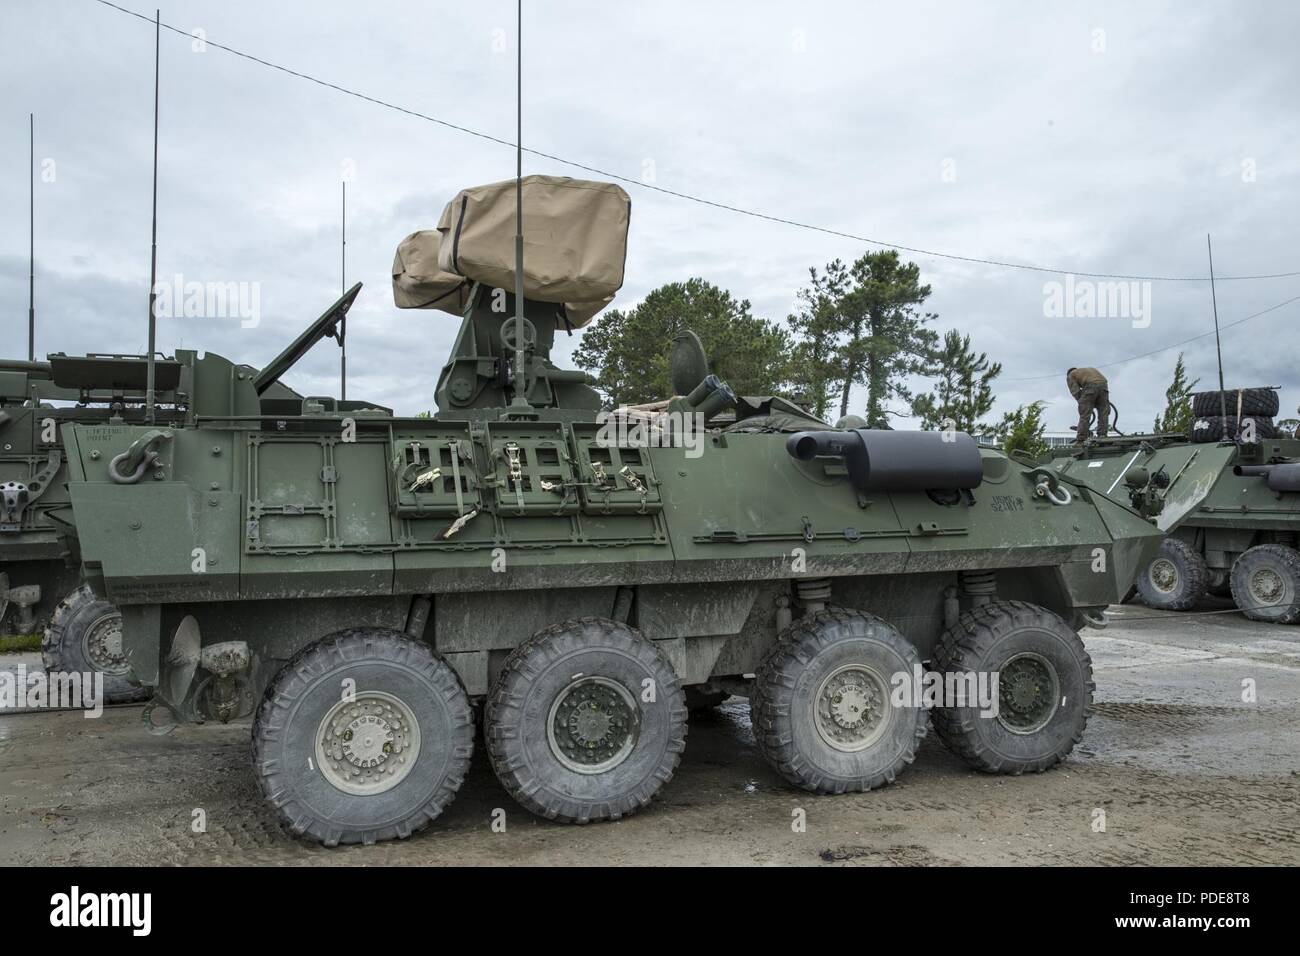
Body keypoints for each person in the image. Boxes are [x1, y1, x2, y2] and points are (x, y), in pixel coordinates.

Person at [1067, 367, 1110, 442]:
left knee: (1085, 414)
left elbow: (1076, 392)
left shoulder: (1071, 375)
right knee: (1103, 412)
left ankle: (1081, 438)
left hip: (1090, 385)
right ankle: (1102, 435)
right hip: (1104, 385)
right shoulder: (1085, 371)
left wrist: (1085, 404)